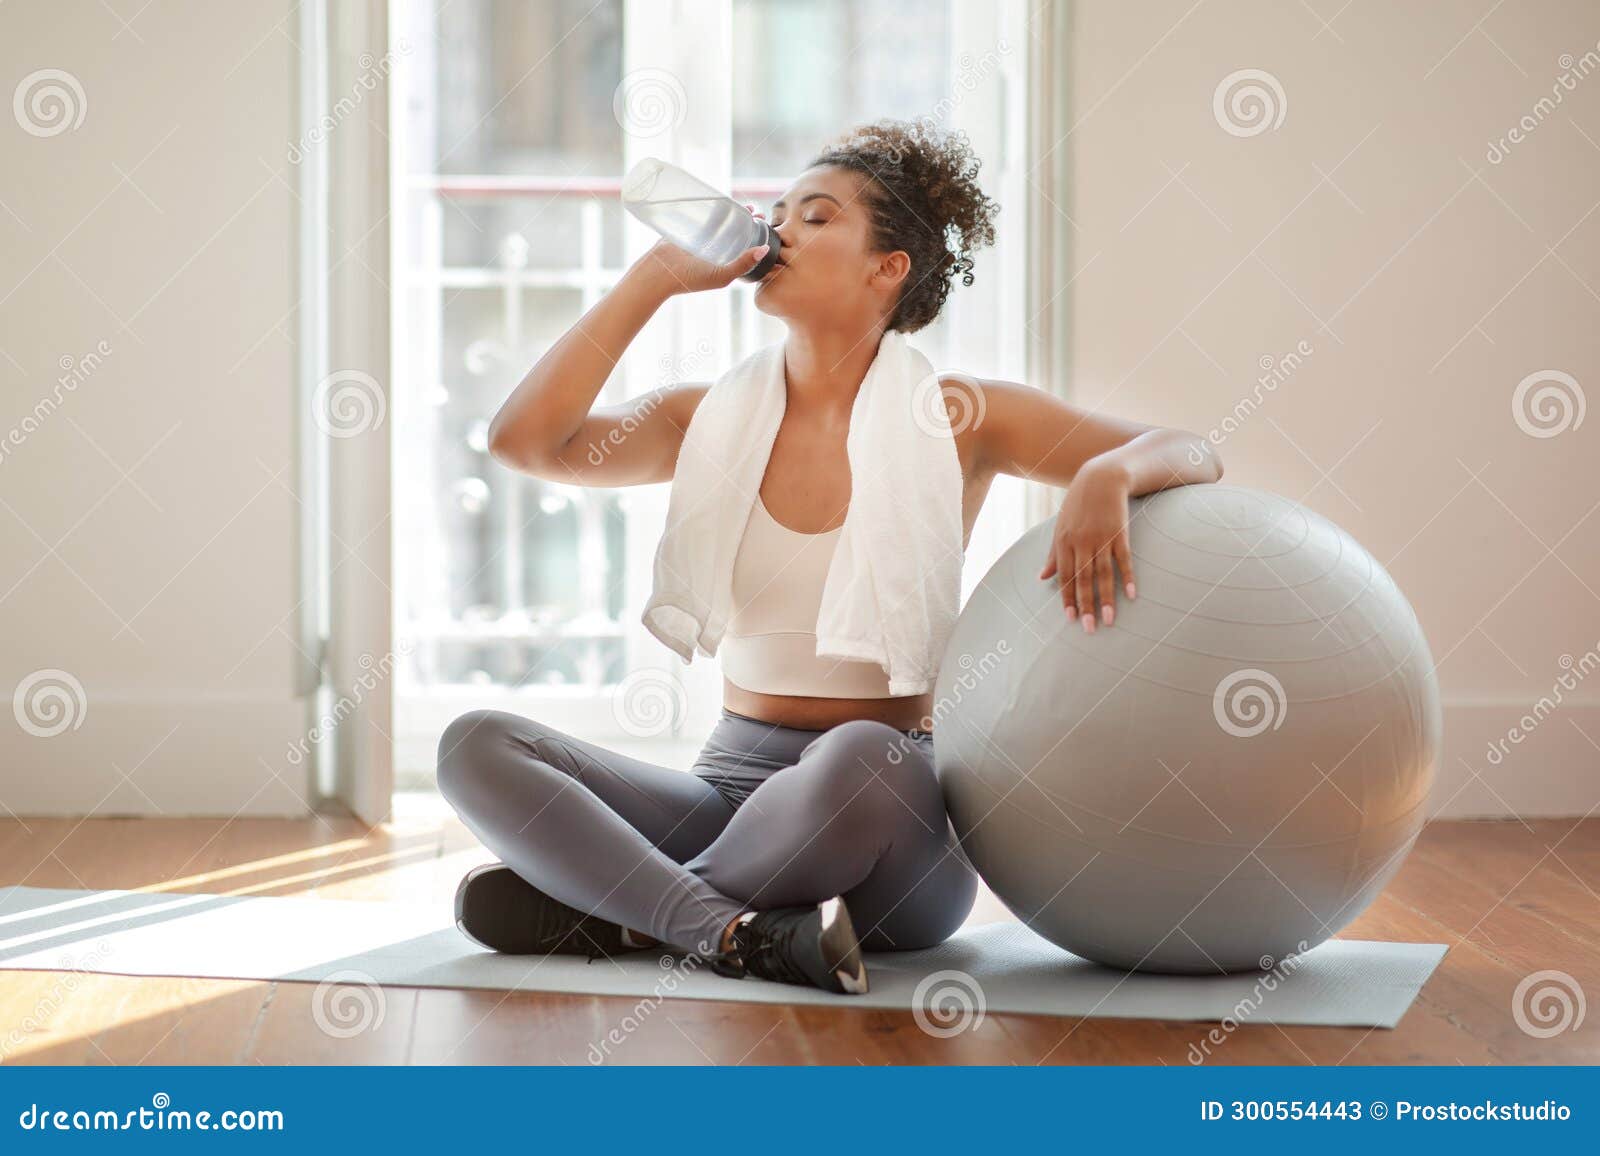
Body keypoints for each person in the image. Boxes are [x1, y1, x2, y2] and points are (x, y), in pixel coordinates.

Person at [437, 120, 1223, 994]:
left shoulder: (961, 414)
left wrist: (1110, 473)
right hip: (731, 795)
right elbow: (525, 442)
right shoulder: (703, 418)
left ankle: (622, 912)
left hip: (887, 820)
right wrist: (655, 279)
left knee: (856, 755)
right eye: (775, 213)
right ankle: (731, 932)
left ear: (887, 268)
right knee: (477, 744)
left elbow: (1192, 450)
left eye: (813, 218)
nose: (776, 233)